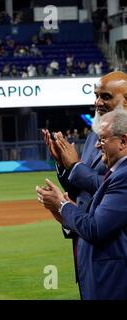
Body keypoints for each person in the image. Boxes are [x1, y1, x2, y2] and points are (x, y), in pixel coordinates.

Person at [42, 71, 127, 295]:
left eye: (106, 96)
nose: (98, 102)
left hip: (114, 252)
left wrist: (75, 167)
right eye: (96, 95)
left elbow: (116, 185)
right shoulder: (95, 135)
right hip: (87, 247)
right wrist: (63, 164)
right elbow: (81, 187)